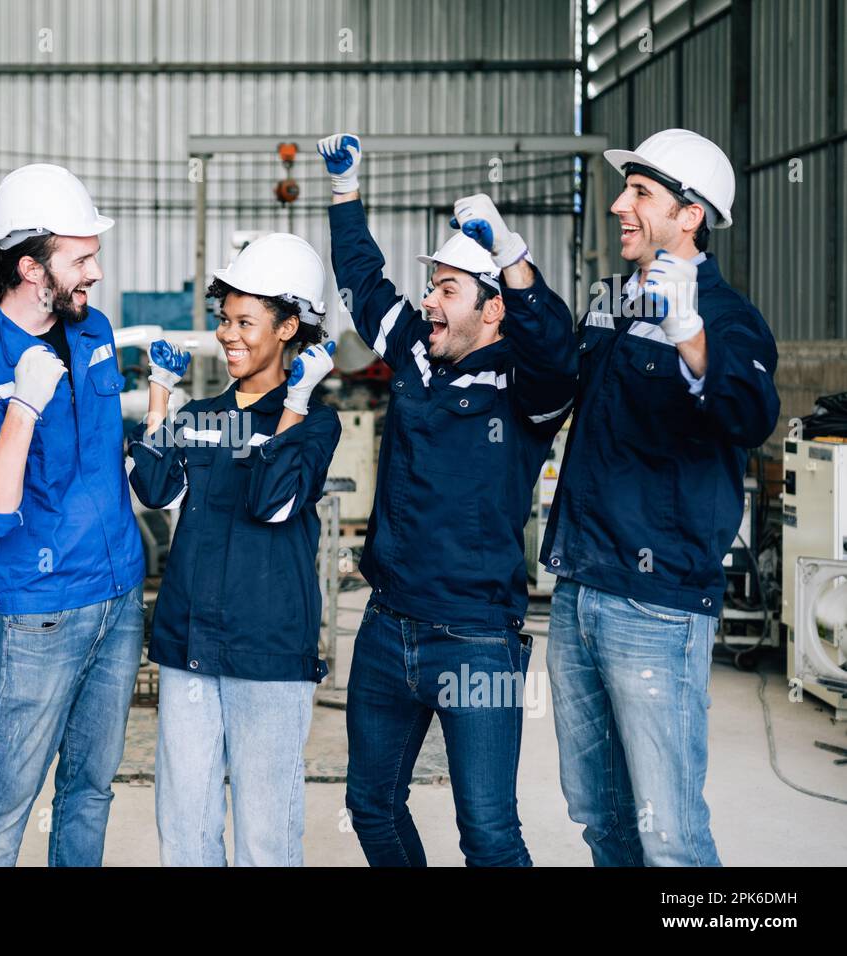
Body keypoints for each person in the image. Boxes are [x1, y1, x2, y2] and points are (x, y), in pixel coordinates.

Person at [317, 132, 578, 866]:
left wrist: (513, 254)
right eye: (431, 286)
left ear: (492, 311)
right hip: (387, 624)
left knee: (489, 834)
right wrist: (344, 191)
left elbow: (557, 350)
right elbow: (364, 282)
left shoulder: (526, 390)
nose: (428, 300)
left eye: (447, 290)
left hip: (477, 640)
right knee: (370, 806)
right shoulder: (414, 352)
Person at [541, 128, 780, 866]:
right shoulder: (613, 303)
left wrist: (690, 336)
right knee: (600, 816)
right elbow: (554, 385)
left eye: (640, 193)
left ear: (691, 215)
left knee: (668, 835)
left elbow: (750, 412)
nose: (619, 205)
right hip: (581, 585)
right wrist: (517, 280)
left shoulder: (730, 319)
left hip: (656, 603)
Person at [0, 164, 145, 867]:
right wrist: (22, 406)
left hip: (119, 598)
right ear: (31, 267)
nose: (95, 271)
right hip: (43, 614)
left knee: (90, 789)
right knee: (4, 804)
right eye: (81, 258)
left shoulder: (96, 332)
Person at [129, 233, 341, 866]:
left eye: (246, 321)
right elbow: (153, 483)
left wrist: (296, 404)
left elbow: (272, 502)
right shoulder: (206, 411)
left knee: (264, 835)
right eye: (225, 320)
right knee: (186, 827)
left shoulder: (316, 420)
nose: (228, 335)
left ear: (289, 327)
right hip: (190, 640)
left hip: (268, 647)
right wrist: (162, 396)